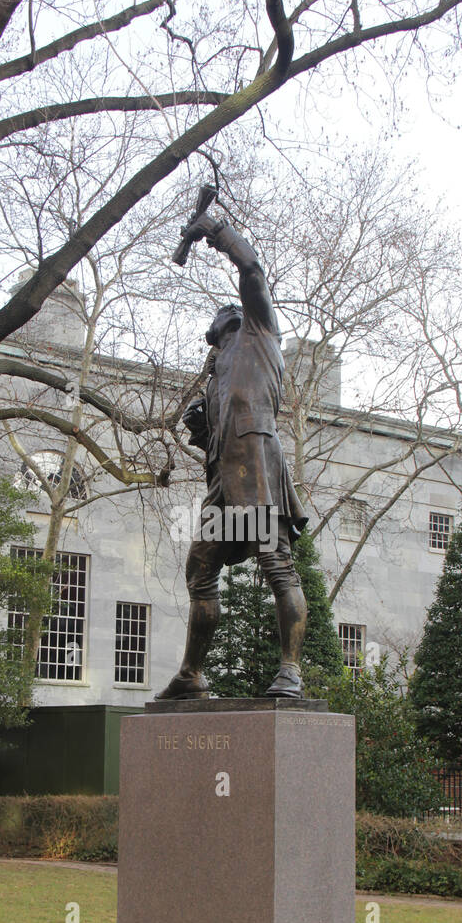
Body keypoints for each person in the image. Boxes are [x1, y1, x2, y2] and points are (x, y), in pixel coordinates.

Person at [156, 212, 309, 700]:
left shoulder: (261, 334)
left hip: (259, 475)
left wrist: (215, 233)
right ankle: (191, 675)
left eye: (222, 317)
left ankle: (290, 671)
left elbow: (253, 273)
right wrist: (202, 431)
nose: (215, 326)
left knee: (276, 564)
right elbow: (216, 440)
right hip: (223, 489)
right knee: (199, 573)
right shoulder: (218, 370)